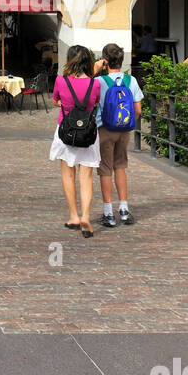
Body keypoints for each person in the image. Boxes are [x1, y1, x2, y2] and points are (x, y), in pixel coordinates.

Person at [50, 44, 102, 237]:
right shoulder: (95, 83)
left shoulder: (61, 81)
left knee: (68, 174)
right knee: (86, 176)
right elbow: (95, 103)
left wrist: (63, 103)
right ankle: (86, 216)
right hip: (88, 132)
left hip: (66, 131)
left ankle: (73, 216)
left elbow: (56, 101)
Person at [95, 43, 143, 226]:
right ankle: (124, 209)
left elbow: (84, 91)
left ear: (105, 61)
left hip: (105, 129)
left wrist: (96, 68)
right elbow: (138, 110)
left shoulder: (100, 82)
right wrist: (127, 123)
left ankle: (108, 213)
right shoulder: (132, 81)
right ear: (122, 61)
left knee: (105, 169)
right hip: (124, 130)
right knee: (120, 166)